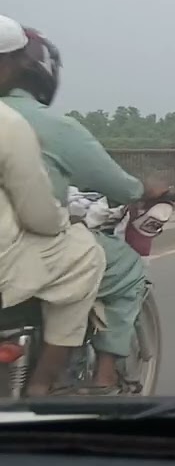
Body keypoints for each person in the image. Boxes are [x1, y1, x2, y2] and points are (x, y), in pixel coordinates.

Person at [0, 17, 169, 395]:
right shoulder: (40, 125)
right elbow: (111, 187)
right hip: (17, 253)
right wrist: (145, 189)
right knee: (114, 264)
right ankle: (94, 378)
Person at [0, 21, 106, 396]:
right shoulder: (8, 124)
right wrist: (65, 221)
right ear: (12, 64)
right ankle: (43, 382)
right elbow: (39, 216)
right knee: (83, 253)